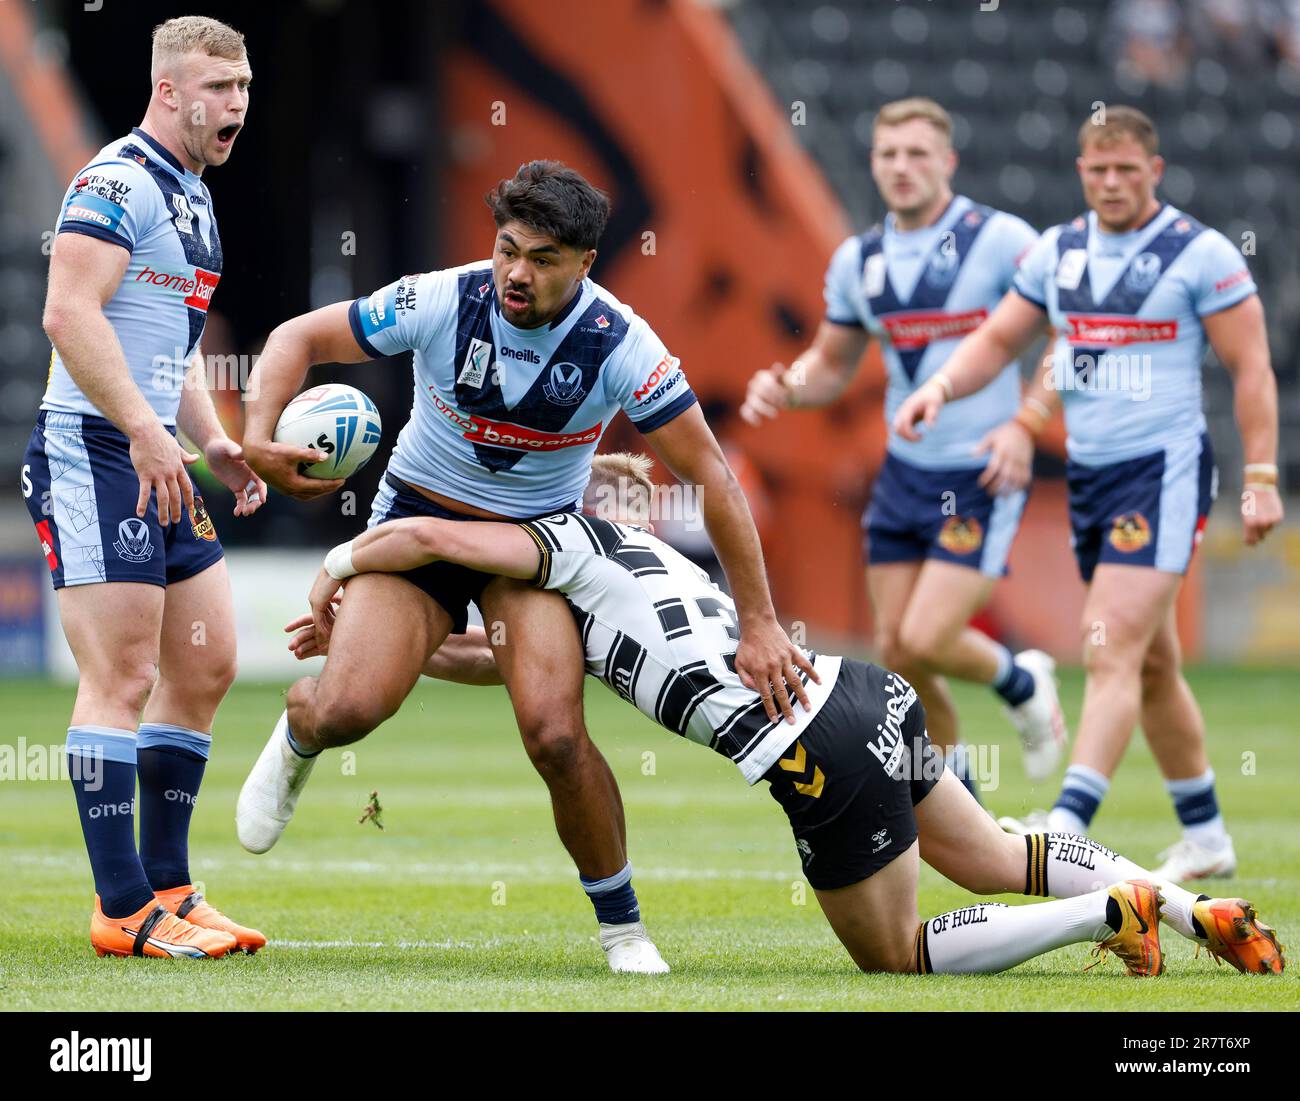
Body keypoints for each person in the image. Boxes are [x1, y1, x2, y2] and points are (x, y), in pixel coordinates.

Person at [282, 454, 1283, 976]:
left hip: (812, 751)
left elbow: (416, 531)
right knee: (994, 855)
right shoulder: (639, 570)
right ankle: (1190, 912)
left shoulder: (561, 546)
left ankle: (1102, 915)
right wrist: (392, 656)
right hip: (857, 689)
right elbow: (492, 661)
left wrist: (336, 571)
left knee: (895, 957)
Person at [237, 161, 815, 972]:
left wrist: (757, 619)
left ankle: (623, 929)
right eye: (508, 249)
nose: (516, 272)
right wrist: (260, 434)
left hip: (532, 546)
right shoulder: (443, 297)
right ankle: (300, 730)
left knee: (553, 731)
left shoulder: (621, 342)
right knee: (350, 709)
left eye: (542, 260)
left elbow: (711, 474)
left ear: (584, 265)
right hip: (419, 521)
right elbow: (298, 336)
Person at [894, 106, 1283, 882]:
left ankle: (1065, 823)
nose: (1111, 183)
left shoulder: (1198, 253)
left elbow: (1252, 368)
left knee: (1107, 639)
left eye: (1127, 170)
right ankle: (1206, 833)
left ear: (1154, 171)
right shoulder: (1059, 253)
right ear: (1081, 174)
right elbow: (1002, 338)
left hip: (1164, 469)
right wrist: (939, 384)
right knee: (1151, 662)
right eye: (1098, 171)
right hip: (1093, 478)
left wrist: (1263, 477)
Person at [19, 16, 270, 958]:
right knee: (121, 674)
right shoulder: (119, 179)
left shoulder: (195, 197)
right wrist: (140, 429)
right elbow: (66, 311)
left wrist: (214, 439)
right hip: (93, 446)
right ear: (169, 92)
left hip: (155, 449)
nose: (234, 103)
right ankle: (122, 905)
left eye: (243, 86)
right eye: (216, 87)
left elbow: (172, 340)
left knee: (204, 664)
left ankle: (170, 886)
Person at [740, 98, 1066, 798]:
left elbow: (1070, 330)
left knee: (923, 636)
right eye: (889, 154)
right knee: (898, 655)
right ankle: (966, 798)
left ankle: (1019, 678)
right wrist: (784, 385)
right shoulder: (860, 259)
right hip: (904, 474)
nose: (902, 167)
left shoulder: (1001, 238)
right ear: (873, 164)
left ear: (947, 161)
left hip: (980, 469)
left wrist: (1025, 424)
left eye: (918, 153)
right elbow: (830, 364)